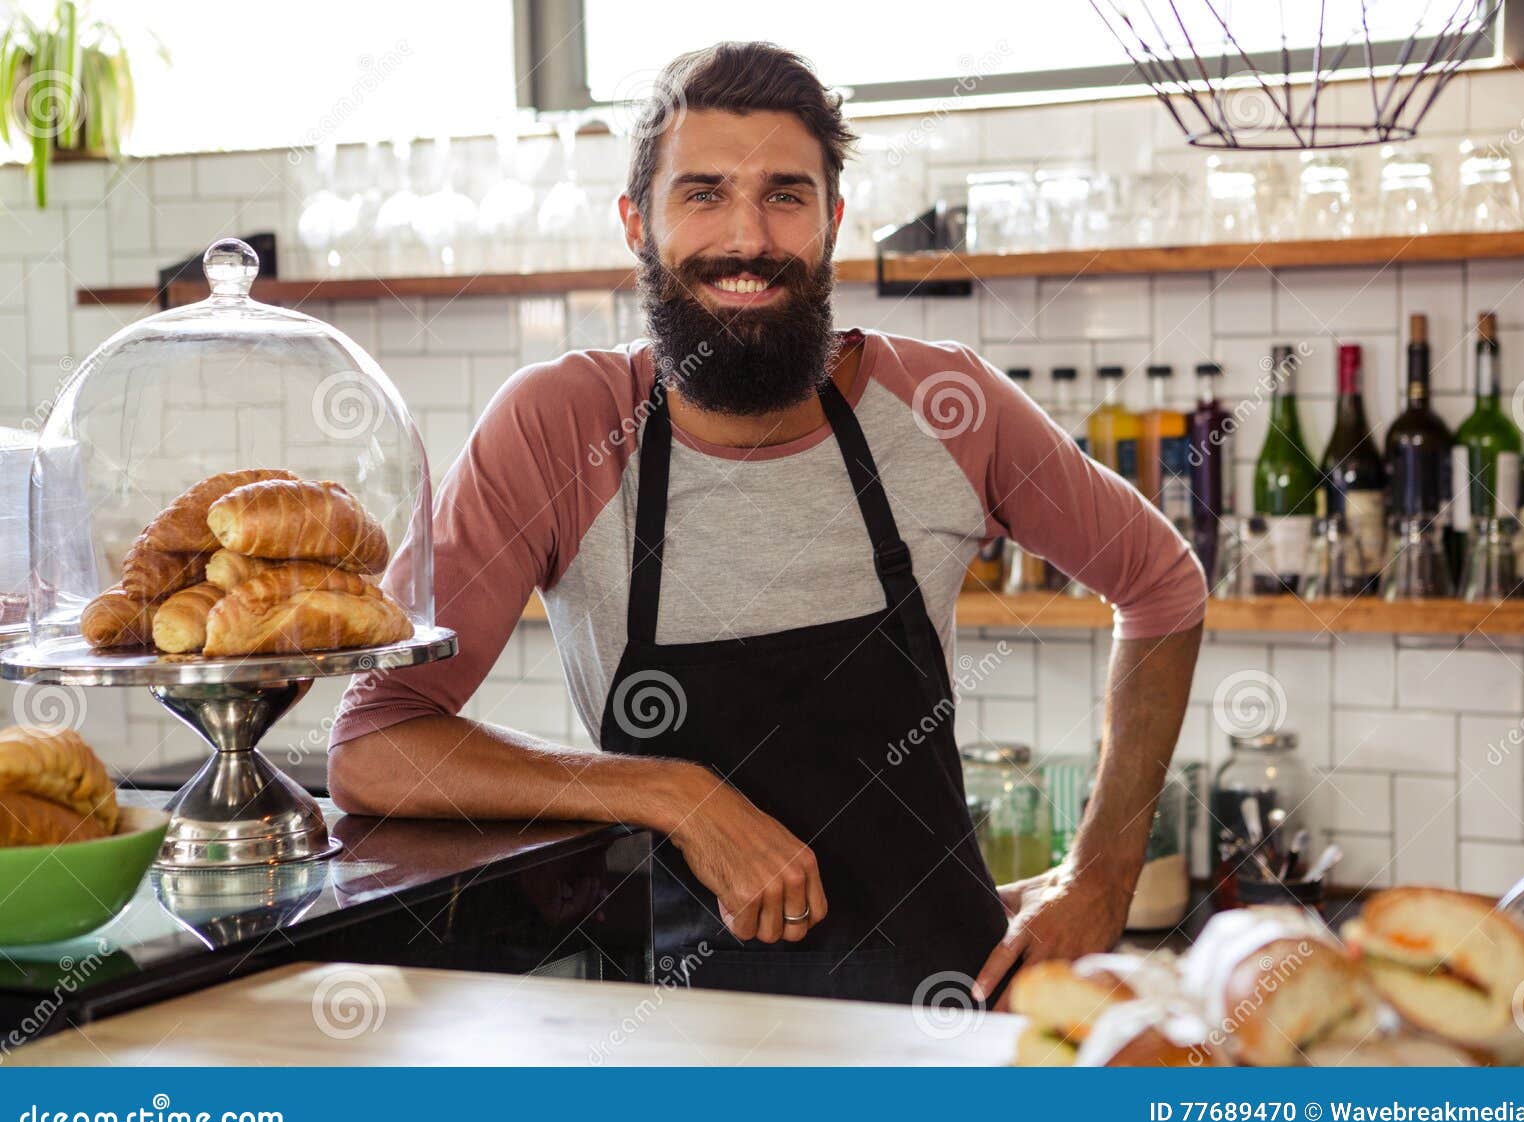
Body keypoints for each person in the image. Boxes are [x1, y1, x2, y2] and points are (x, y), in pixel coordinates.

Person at [328, 40, 1205, 1007]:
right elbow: (376, 744)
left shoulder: (949, 403)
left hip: (950, 1024)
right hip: (684, 1034)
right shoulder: (561, 428)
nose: (747, 238)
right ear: (637, 223)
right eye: (702, 192)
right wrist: (673, 792)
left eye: (785, 194)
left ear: (832, 220)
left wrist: (1101, 873)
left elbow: (1164, 586)